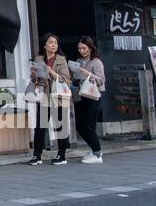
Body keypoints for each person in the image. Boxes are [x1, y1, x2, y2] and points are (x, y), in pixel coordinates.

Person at [26, 32, 71, 165]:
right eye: (51, 42)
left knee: (60, 126)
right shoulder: (39, 59)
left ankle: (62, 155)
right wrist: (34, 74)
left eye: (55, 43)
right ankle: (37, 156)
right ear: (44, 45)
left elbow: (66, 80)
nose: (53, 45)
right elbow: (35, 80)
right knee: (40, 127)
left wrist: (51, 72)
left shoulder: (61, 59)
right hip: (44, 96)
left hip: (59, 96)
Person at [70, 35, 106, 164]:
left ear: (90, 48)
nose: (81, 51)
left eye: (84, 48)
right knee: (80, 126)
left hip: (94, 96)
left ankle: (97, 153)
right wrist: (74, 75)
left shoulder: (96, 62)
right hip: (81, 95)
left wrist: (88, 74)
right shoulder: (78, 61)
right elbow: (75, 78)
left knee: (89, 126)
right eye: (79, 48)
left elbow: (102, 79)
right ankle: (93, 150)